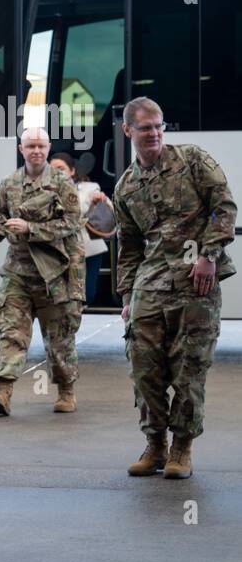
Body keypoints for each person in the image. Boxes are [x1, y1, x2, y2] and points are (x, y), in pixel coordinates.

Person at [114, 96, 235, 479]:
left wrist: (209, 254)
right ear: (128, 130)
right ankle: (155, 445)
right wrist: (127, 297)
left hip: (195, 285)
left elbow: (224, 207)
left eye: (159, 126)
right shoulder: (126, 187)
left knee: (188, 369)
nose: (154, 134)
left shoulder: (194, 160)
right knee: (144, 367)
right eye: (146, 127)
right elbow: (130, 247)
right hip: (151, 285)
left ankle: (182, 448)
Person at [0, 127, 84, 415]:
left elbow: (73, 223)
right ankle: (2, 391)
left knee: (59, 337)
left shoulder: (62, 183)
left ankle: (66, 391)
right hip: (18, 271)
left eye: (41, 146)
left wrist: (32, 228)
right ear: (21, 149)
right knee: (9, 329)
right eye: (31, 146)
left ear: (49, 148)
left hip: (54, 272)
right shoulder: (8, 184)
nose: (36, 151)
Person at [50, 152, 109, 305]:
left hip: (88, 250)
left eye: (61, 168)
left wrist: (95, 200)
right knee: (60, 297)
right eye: (51, 169)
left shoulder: (90, 188)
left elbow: (75, 213)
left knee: (86, 295)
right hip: (57, 251)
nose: (56, 172)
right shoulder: (44, 193)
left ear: (72, 171)